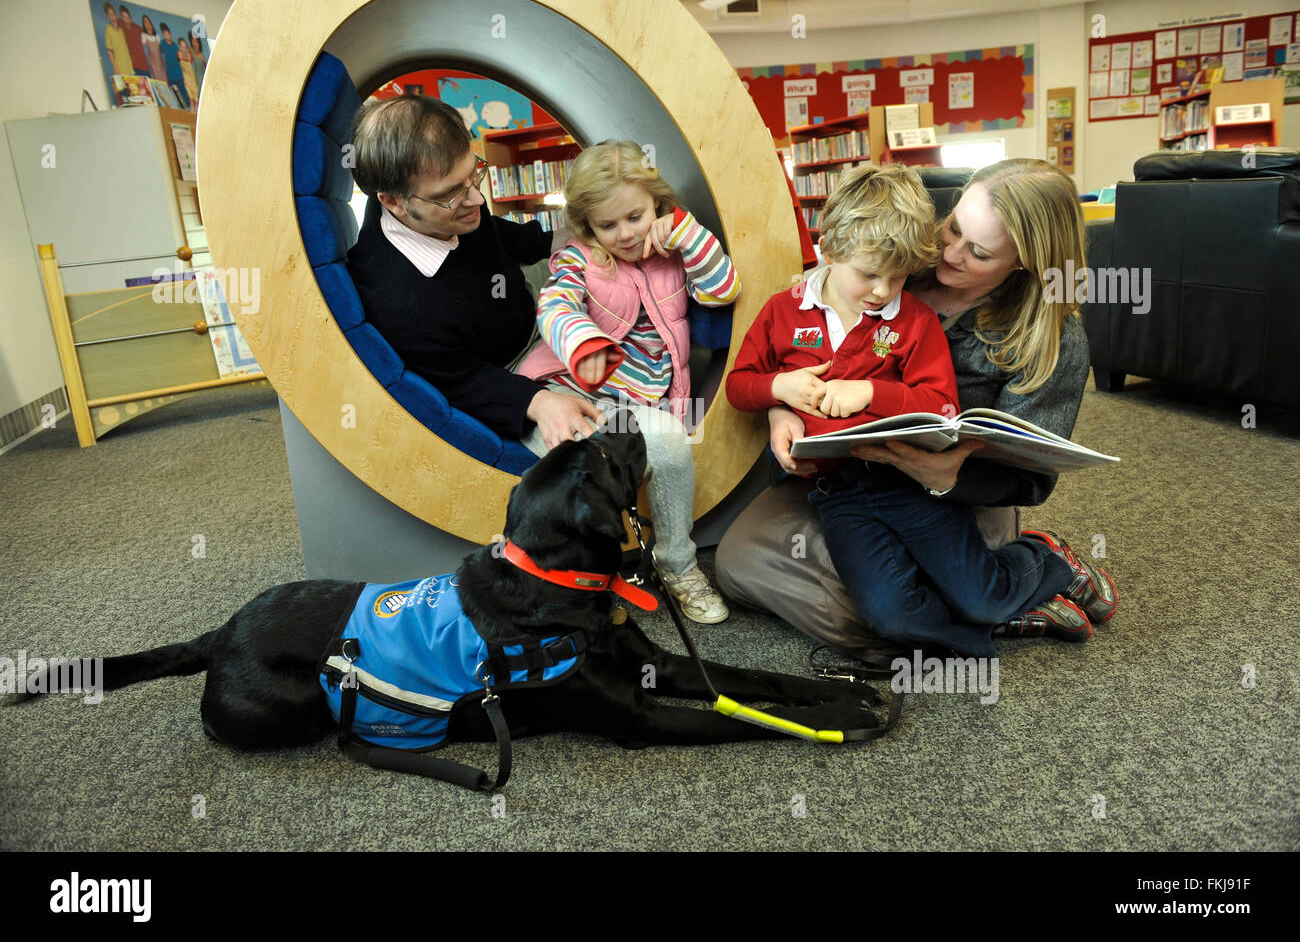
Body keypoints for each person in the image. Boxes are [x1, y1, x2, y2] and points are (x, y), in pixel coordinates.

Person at [716, 158, 1117, 660]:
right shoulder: (895, 251)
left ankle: (1009, 584)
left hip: (954, 492)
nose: (948, 253)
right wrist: (779, 401)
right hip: (842, 479)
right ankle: (993, 609)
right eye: (952, 228)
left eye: (978, 252)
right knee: (743, 567)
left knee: (894, 613)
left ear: (1024, 263)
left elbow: (1029, 477)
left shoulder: (1050, 338)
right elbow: (777, 360)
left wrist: (944, 474)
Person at [516, 141, 740, 622]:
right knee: (604, 462)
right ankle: (611, 577)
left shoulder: (672, 247)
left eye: (634, 217)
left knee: (668, 441)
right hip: (570, 392)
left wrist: (685, 231)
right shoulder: (580, 258)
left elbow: (723, 291)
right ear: (587, 225)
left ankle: (673, 563)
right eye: (607, 225)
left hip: (639, 402)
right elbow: (556, 303)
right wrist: (583, 345)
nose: (623, 234)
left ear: (656, 203)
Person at [346, 94, 601, 461]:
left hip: (526, 296)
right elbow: (460, 381)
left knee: (608, 253)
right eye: (452, 193)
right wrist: (537, 402)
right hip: (507, 365)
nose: (478, 199)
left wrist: (554, 240)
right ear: (392, 202)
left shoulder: (433, 199)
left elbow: (496, 234)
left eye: (474, 174)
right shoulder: (394, 301)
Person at [118, 6, 150, 79]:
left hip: (143, 65)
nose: (126, 19)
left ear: (130, 16)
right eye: (124, 17)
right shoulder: (121, 24)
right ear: (122, 18)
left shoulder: (138, 28)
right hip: (132, 66)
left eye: (127, 17)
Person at [101, 2, 132, 77]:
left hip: (128, 67)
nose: (112, 17)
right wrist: (116, 69)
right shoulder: (108, 30)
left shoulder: (121, 30)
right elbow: (110, 51)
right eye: (110, 15)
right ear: (107, 16)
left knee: (133, 88)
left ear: (116, 15)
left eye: (113, 14)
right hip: (119, 69)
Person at [141, 16, 166, 82]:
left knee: (165, 82)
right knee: (156, 83)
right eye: (145, 22)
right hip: (153, 65)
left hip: (161, 64)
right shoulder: (144, 35)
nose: (147, 24)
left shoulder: (156, 36)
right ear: (144, 25)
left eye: (148, 22)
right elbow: (141, 49)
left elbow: (162, 49)